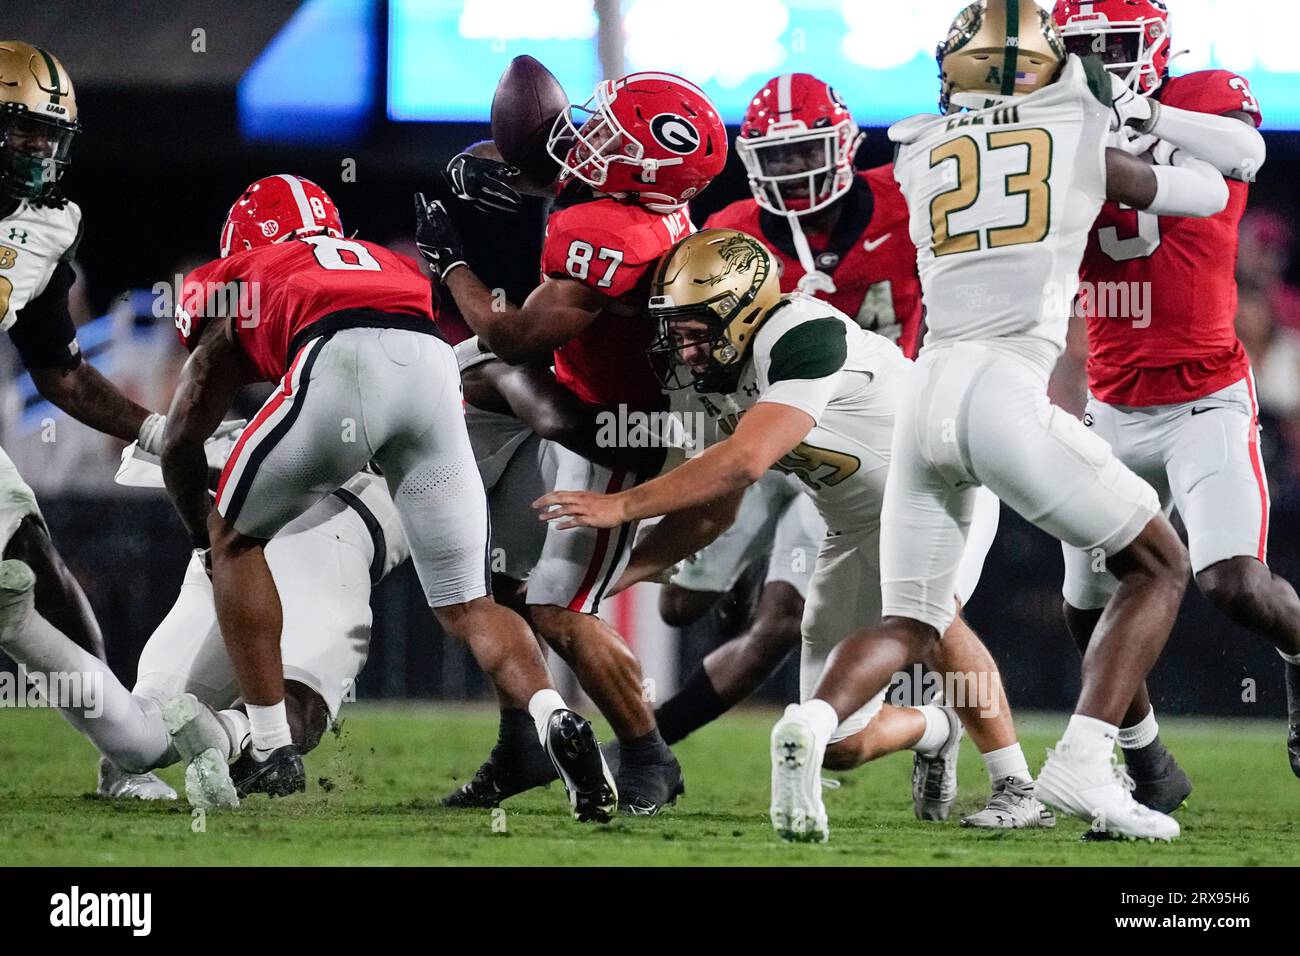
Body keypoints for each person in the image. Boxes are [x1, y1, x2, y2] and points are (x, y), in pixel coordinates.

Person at [770, 0, 1225, 842]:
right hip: (1006, 387)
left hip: (926, 391)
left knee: (912, 621)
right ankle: (1086, 762)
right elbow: (1205, 188)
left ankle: (809, 722)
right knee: (1158, 565)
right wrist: (1126, 115)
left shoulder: (916, 150)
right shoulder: (1078, 131)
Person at [642, 73, 1041, 827]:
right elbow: (728, 451)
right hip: (800, 449)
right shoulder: (732, 237)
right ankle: (929, 726)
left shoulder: (913, 199)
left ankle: (1015, 780)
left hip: (897, 441)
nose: (791, 174)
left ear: (846, 144)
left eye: (805, 154)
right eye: (777, 158)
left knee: (913, 612)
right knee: (688, 609)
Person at [156, 174, 615, 821]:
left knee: (236, 539)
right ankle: (552, 715)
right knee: (469, 604)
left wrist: (204, 536)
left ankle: (269, 745)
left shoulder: (240, 276)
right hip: (427, 366)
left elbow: (183, 434)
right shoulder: (380, 258)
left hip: (337, 357)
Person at [415, 72, 727, 814]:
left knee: (558, 604)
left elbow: (513, 335)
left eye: (612, 135)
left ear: (643, 172)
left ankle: (648, 751)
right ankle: (524, 742)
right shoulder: (638, 201)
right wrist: (505, 166)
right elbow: (551, 155)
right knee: (490, 573)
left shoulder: (619, 233)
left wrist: (451, 263)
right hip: (576, 389)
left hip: (615, 423)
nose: (592, 138)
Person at [1053, 0, 1300, 791]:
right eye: (1082, 46)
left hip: (1204, 400)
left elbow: (1246, 151)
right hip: (1112, 404)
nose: (1096, 59)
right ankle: (1147, 758)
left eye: (1111, 44)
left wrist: (1139, 110)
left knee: (1233, 583)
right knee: (1085, 605)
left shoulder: (1198, 97)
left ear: (1154, 44)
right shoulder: (1053, 119)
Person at [0, 40, 176, 799]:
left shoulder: (40, 226)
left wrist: (152, 430)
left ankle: (124, 760)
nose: (40, 149)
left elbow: (62, 370)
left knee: (36, 572)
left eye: (49, 133)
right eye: (23, 129)